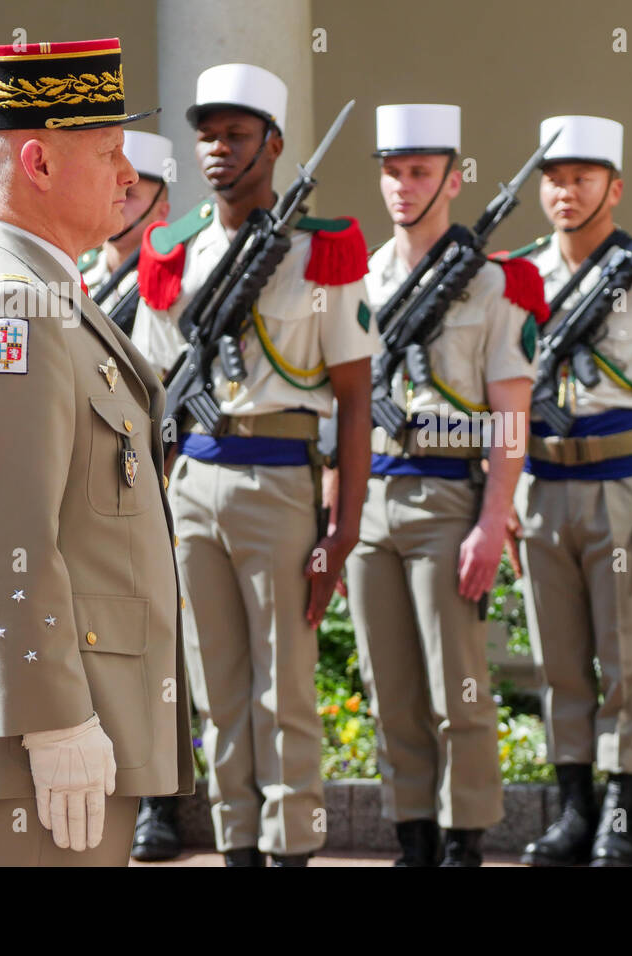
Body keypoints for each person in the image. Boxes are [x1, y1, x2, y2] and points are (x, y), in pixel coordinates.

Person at [0, 36, 194, 866]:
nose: (131, 174)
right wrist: (56, 722)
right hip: (37, 748)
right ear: (38, 163)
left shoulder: (37, 291)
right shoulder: (10, 309)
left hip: (55, 736)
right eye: (109, 150)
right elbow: (5, 535)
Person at [132, 62, 374, 866]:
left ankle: (290, 845)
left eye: (236, 136)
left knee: (285, 687)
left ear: (273, 145)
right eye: (206, 137)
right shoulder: (174, 255)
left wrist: (342, 526)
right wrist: (150, 507)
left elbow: (354, 397)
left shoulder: (322, 254)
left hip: (280, 475)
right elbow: (152, 396)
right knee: (217, 685)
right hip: (194, 479)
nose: (217, 151)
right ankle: (237, 844)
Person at [346, 104, 539, 866]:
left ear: (453, 180)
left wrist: (494, 521)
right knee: (388, 684)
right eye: (391, 171)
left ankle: (465, 839)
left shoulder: (494, 286)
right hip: (371, 502)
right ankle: (412, 834)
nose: (402, 186)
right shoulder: (360, 282)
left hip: (445, 496)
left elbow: (510, 420)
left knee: (456, 686)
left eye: (419, 172)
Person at [501, 115, 632, 866]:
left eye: (583, 178)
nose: (566, 192)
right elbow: (498, 393)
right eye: (554, 179)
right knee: (557, 656)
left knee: (628, 652)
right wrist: (500, 495)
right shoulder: (514, 276)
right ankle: (573, 806)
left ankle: (621, 809)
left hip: (621, 483)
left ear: (615, 187)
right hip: (541, 482)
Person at [79, 130, 172, 320]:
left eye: (129, 194)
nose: (116, 198)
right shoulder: (77, 273)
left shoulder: (175, 276)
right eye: (108, 188)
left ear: (161, 212)